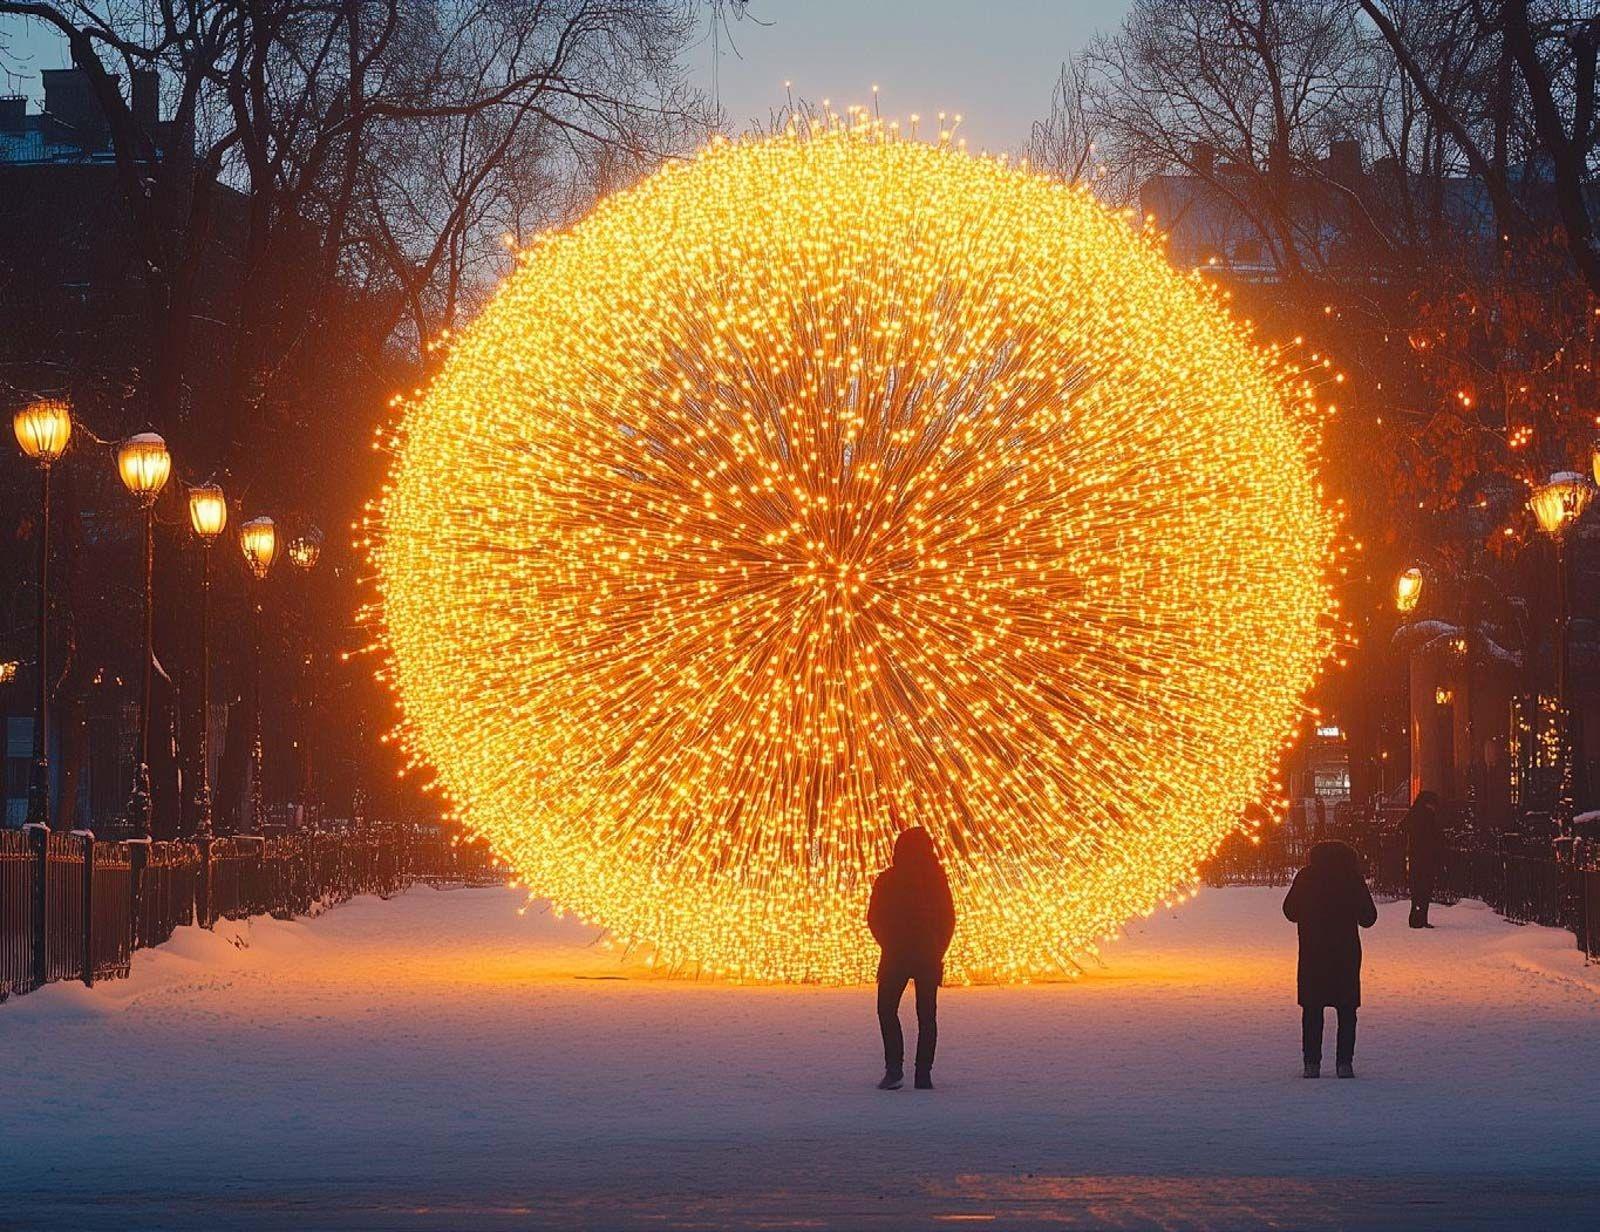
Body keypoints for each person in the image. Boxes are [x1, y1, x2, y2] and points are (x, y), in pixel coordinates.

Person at [867, 825, 955, 1091]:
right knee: (927, 1016)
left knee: (887, 1010)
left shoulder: (888, 879)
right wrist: (937, 949)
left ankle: (894, 1070)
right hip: (927, 956)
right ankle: (923, 1075)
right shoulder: (937, 879)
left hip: (896, 956)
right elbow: (948, 919)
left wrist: (888, 943)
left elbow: (874, 917)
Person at [1282, 840, 1378, 1079]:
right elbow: (1369, 917)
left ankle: (1311, 1063)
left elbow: (1290, 911)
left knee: (1312, 1009)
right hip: (1345, 953)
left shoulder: (1306, 877)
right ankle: (1344, 1063)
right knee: (1347, 1010)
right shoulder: (1351, 878)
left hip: (1313, 952)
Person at [1399, 789, 1443, 928]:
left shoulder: (1413, 813)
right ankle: (1421, 917)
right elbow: (1435, 835)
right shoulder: (1428, 815)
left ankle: (1415, 917)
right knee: (1425, 888)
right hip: (1426, 857)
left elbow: (1402, 827)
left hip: (1415, 855)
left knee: (1417, 888)